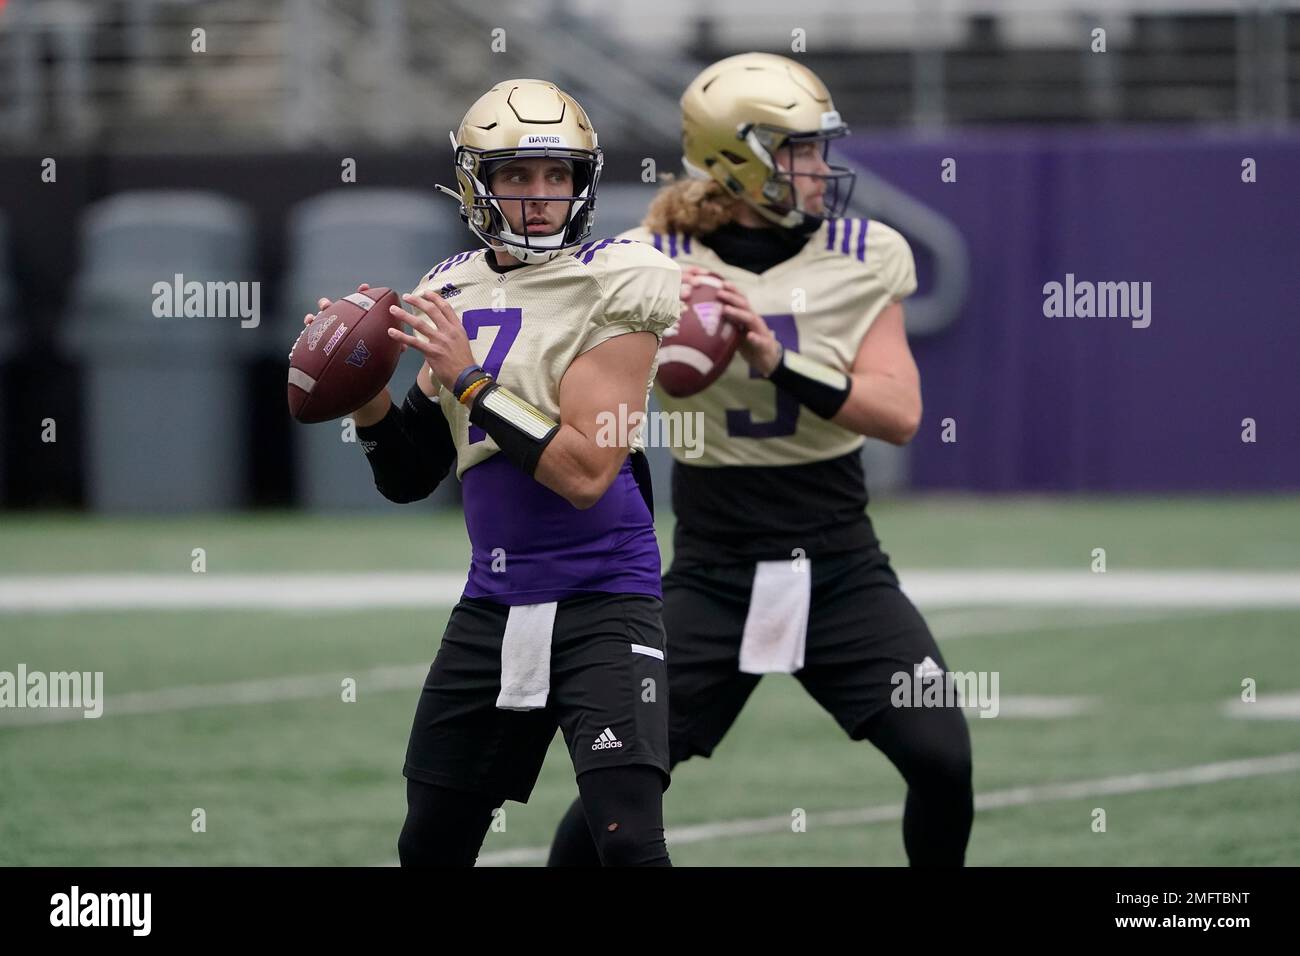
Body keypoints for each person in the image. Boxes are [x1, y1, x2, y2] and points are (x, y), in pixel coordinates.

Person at [546, 53, 974, 867]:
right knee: (623, 786)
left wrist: (775, 358)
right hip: (715, 568)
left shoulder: (864, 248)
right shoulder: (646, 258)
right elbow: (593, 403)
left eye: (819, 147)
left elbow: (901, 413)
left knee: (942, 757)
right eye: (800, 150)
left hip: (842, 564)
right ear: (739, 158)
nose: (821, 167)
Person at [303, 78, 682, 866]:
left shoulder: (619, 276)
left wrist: (472, 379)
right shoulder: (450, 286)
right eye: (516, 176)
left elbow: (584, 472)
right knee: (430, 846)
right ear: (477, 183)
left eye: (558, 175)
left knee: (629, 846)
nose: (540, 196)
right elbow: (409, 476)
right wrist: (366, 391)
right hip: (495, 602)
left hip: (603, 596)